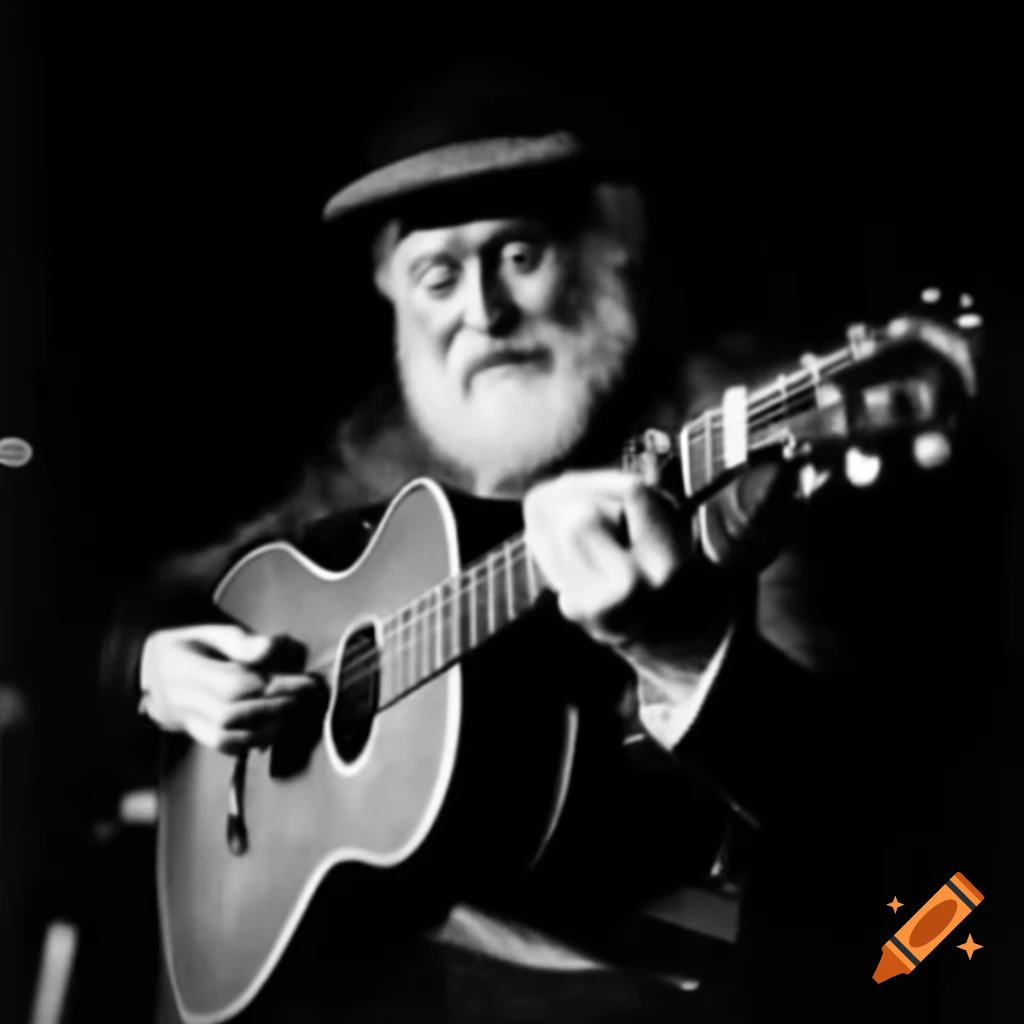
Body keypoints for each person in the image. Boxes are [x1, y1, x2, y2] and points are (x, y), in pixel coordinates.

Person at [97, 71, 981, 1023]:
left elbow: (910, 865)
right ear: (392, 295)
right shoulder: (382, 452)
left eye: (518, 254)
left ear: (600, 253)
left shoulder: (722, 440)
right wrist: (157, 664)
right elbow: (162, 607)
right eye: (438, 275)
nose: (481, 310)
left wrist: (683, 650)